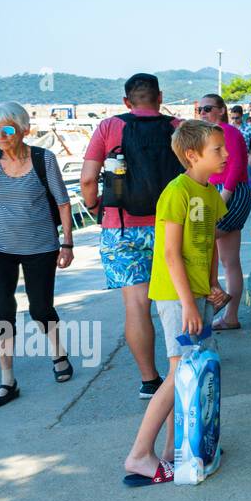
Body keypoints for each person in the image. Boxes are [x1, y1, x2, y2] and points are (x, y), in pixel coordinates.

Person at [122, 120, 228, 486]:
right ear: (191, 155)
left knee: (185, 371)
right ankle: (139, 454)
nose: (226, 155)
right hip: (175, 297)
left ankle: (173, 450)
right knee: (180, 373)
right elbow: (170, 253)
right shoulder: (176, 191)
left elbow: (210, 244)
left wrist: (213, 285)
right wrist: (187, 304)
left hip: (198, 295)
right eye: (218, 150)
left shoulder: (210, 193)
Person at [80, 73, 184, 399]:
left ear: (127, 101)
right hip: (172, 225)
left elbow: (86, 180)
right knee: (177, 299)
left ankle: (150, 381)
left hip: (122, 226)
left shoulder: (109, 127)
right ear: (160, 96)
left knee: (136, 306)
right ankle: (181, 371)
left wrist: (96, 207)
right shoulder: (178, 127)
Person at [0, 103, 75, 406]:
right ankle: (7, 379)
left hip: (41, 246)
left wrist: (67, 243)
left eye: (6, 129)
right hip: (1, 249)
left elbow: (63, 202)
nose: (0, 136)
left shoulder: (44, 159)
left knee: (40, 309)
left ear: (24, 130)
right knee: (1, 312)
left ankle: (58, 354)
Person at [197, 95, 251, 330]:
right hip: (220, 192)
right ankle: (230, 316)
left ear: (221, 110)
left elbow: (238, 164)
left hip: (229, 193)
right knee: (230, 261)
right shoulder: (212, 133)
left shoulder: (228, 131)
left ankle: (215, 297)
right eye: (199, 109)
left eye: (207, 109)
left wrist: (223, 197)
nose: (202, 113)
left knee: (200, 242)